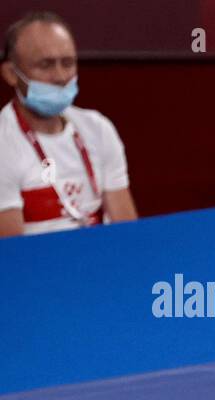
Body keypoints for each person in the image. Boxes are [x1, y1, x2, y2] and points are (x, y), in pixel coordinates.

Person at [0, 10, 137, 238]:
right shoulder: (4, 142)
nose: (61, 76)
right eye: (45, 65)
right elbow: (12, 254)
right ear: (11, 74)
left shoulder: (98, 128)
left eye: (68, 63)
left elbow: (127, 231)